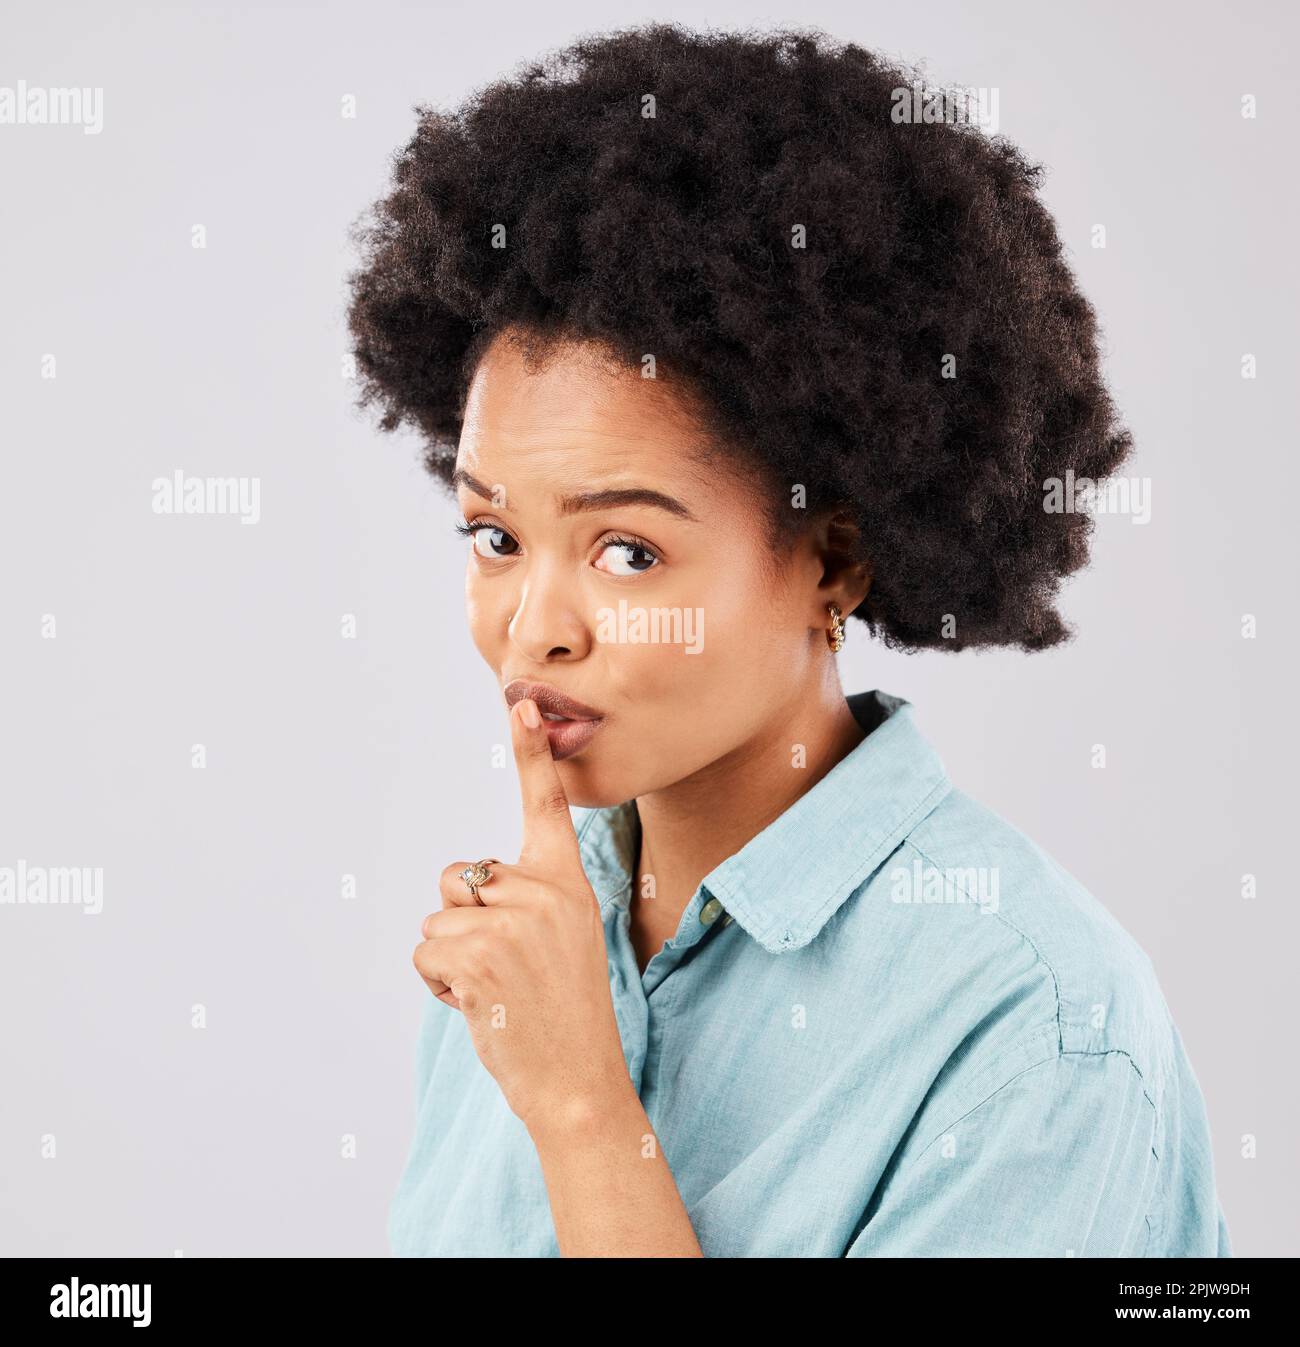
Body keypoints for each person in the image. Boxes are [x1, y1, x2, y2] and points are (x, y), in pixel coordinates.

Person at [346, 23, 1231, 1257]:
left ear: (833, 564)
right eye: (495, 539)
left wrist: (586, 1115)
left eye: (626, 552)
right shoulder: (525, 951)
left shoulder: (1031, 1029)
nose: (531, 632)